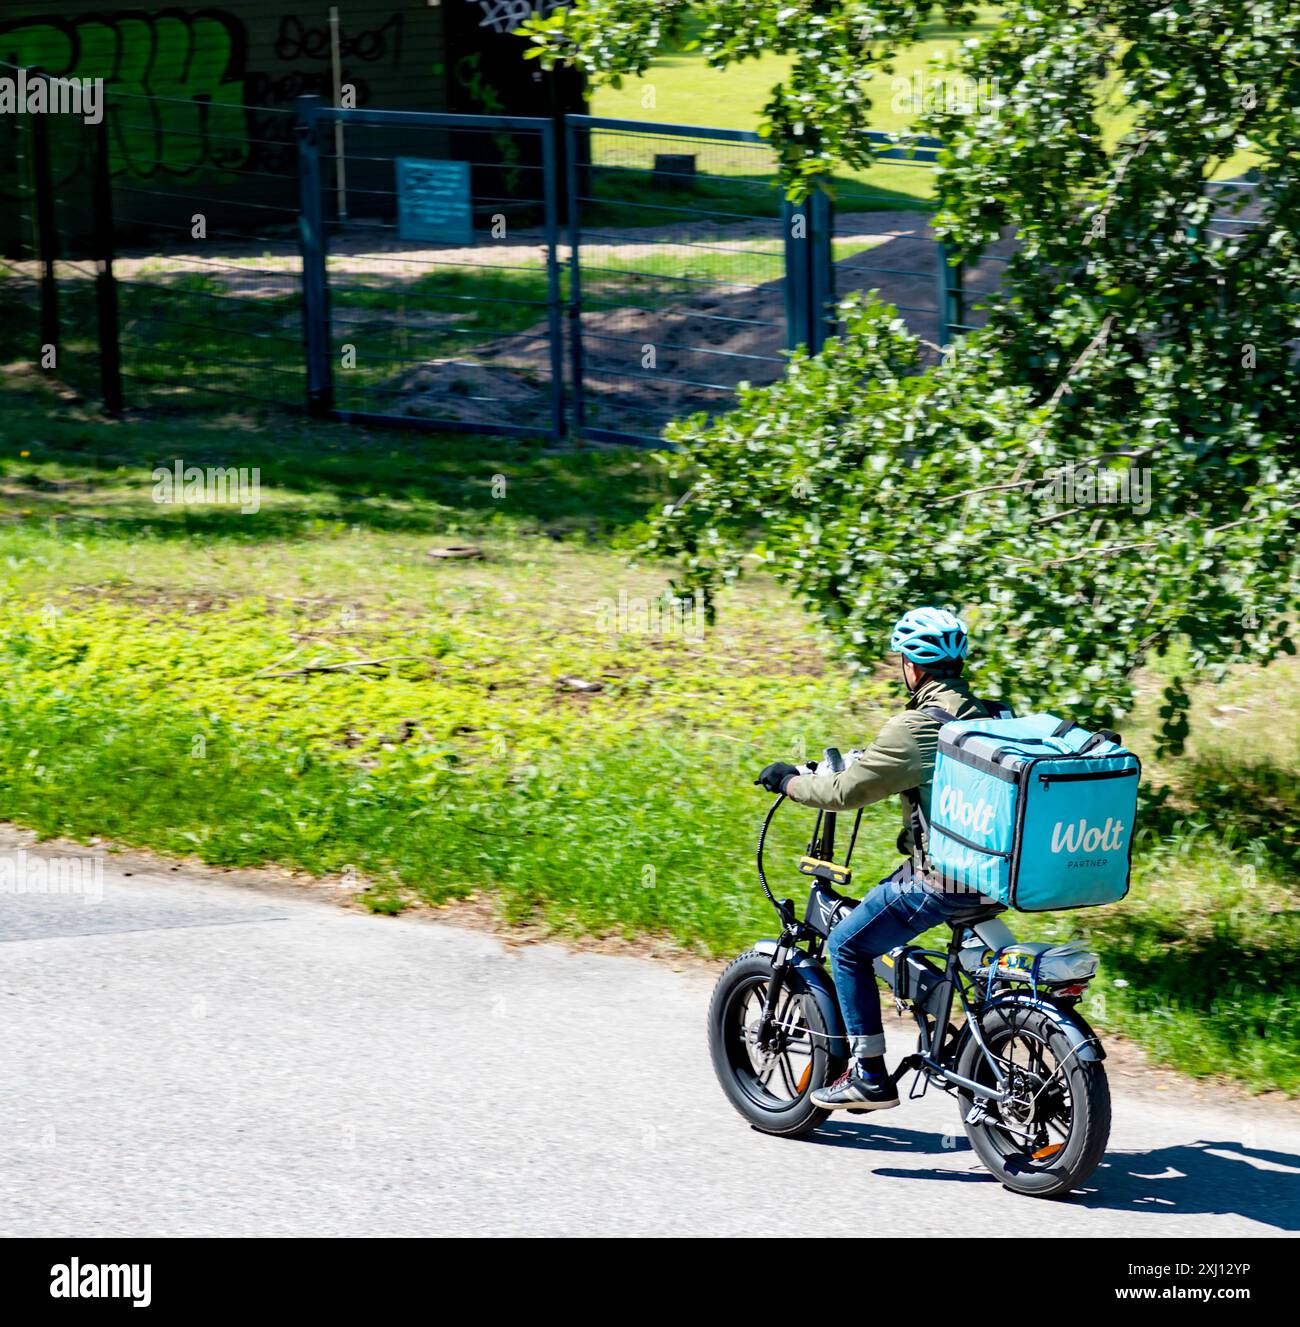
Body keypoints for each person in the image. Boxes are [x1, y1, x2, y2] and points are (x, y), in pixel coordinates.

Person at [756, 606, 999, 1112]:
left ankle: (868, 1075)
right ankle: (941, 1010)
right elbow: (884, 760)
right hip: (997, 873)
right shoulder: (992, 715)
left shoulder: (916, 725)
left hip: (943, 879)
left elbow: (846, 790)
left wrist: (789, 781)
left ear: (913, 665)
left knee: (847, 944)